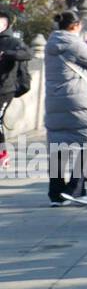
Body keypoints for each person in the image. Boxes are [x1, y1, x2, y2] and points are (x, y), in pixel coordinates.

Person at [44, 11, 87, 206]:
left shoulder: (51, 43)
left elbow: (75, 57)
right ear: (76, 25)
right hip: (77, 101)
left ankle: (56, 194)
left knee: (58, 145)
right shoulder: (73, 43)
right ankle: (76, 188)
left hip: (54, 102)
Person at [0, 10, 34, 171]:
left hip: (6, 88)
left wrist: (6, 54)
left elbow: (28, 53)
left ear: (5, 24)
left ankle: (2, 154)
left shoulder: (13, 42)